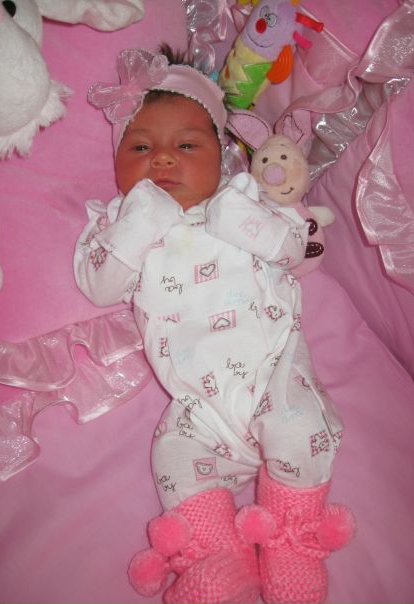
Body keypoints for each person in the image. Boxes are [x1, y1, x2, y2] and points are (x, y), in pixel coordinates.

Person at [74, 46, 354, 604]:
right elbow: (99, 285)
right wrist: (140, 220)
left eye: (186, 145)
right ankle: (217, 556)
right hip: (196, 406)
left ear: (221, 156)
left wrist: (246, 222)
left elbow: (297, 252)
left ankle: (292, 541)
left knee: (300, 430)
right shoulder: (118, 223)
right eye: (140, 147)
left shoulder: (242, 200)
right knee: (172, 458)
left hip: (273, 373)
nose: (162, 159)